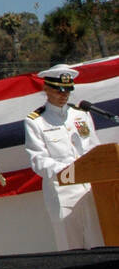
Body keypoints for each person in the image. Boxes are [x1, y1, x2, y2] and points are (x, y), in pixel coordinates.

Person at [24, 64, 103, 250]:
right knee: (71, 248)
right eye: (59, 90)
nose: (64, 95)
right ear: (46, 89)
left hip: (90, 191)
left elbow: (95, 148)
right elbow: (38, 160)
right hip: (63, 193)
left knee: (100, 245)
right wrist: (70, 169)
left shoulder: (81, 114)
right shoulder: (36, 121)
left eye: (67, 90)